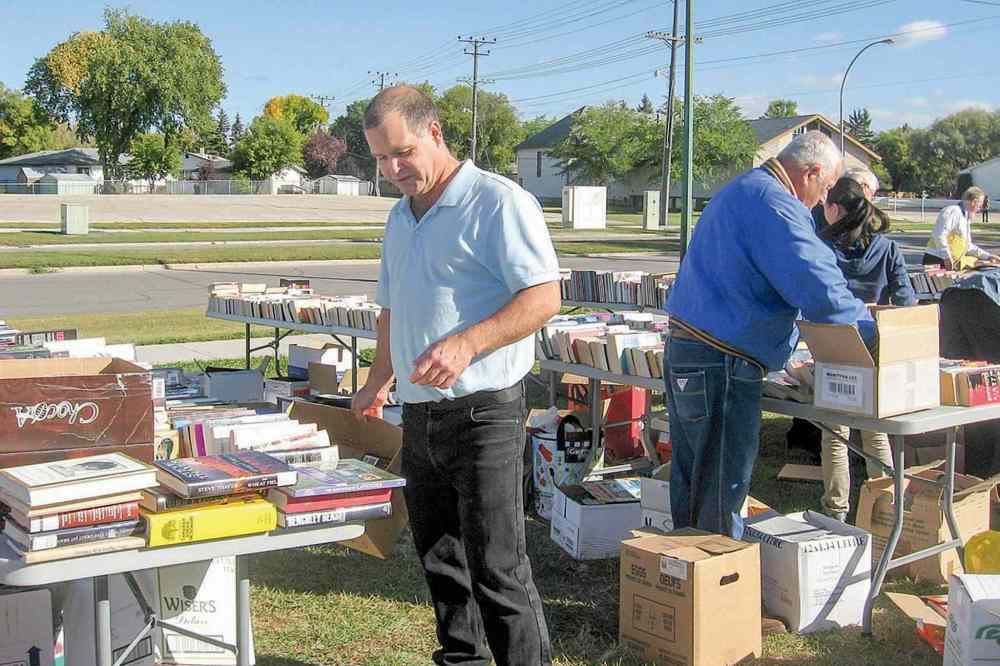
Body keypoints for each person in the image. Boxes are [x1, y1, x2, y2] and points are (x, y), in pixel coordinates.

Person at [352, 85, 559, 666]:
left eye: (404, 152)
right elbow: (393, 307)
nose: (393, 169)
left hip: (485, 413)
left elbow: (544, 297)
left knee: (498, 567)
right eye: (380, 158)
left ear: (436, 133)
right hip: (420, 415)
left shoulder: (498, 202)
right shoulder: (399, 216)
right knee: (441, 560)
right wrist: (377, 380)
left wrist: (469, 342)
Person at [665, 130, 875, 540]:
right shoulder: (774, 203)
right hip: (721, 360)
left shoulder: (744, 189)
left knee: (695, 480)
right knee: (721, 486)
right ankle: (712, 587)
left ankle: (685, 582)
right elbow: (817, 285)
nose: (821, 200)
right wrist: (875, 333)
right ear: (810, 173)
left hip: (695, 349)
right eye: (826, 187)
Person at [816, 176, 917, 521]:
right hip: (877, 344)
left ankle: (836, 511)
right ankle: (890, 508)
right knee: (874, 431)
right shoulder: (887, 247)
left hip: (835, 343)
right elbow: (906, 301)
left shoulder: (824, 247)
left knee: (834, 433)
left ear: (836, 208)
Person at [924, 186, 1000, 269]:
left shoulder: (965, 218)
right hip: (936, 260)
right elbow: (939, 235)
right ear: (974, 202)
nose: (979, 209)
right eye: (980, 205)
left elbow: (967, 247)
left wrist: (988, 256)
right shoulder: (953, 211)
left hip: (948, 262)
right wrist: (946, 256)